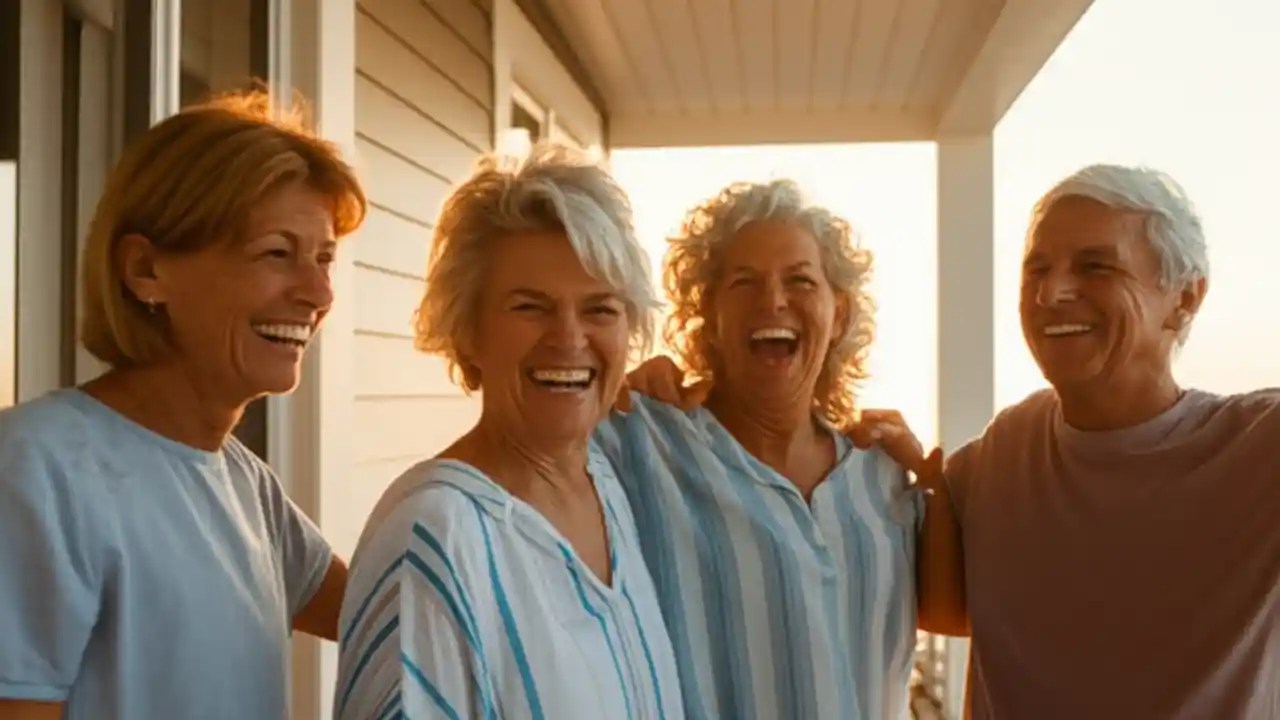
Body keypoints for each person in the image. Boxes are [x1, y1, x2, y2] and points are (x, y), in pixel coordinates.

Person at [0, 92, 365, 719]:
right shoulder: (39, 467)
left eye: (324, 258)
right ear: (146, 270)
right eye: (277, 252)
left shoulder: (246, 485)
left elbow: (395, 612)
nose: (317, 292)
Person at [335, 144, 684, 720]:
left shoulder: (605, 482)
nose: (569, 338)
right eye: (530, 307)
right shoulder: (435, 533)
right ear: (467, 329)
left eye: (600, 310)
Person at [929, 164, 1280, 718]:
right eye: (1036, 269)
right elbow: (941, 607)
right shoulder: (1000, 455)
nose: (1051, 292)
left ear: (1185, 298)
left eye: (1095, 267)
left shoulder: (1260, 449)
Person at [598, 179, 922, 720]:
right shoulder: (639, 448)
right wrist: (609, 388)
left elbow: (969, 612)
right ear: (709, 314)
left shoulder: (884, 479)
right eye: (744, 283)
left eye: (800, 280)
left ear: (837, 314)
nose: (772, 300)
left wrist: (936, 479)